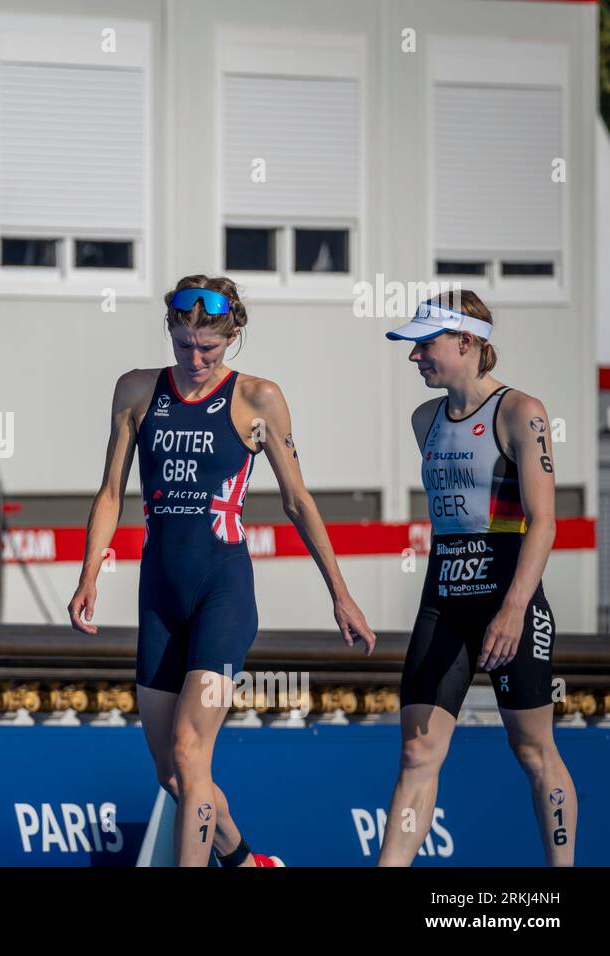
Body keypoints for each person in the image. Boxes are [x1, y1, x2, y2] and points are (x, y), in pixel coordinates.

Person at [69, 275, 377, 867]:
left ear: (233, 336)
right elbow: (111, 492)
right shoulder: (136, 391)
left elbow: (298, 501)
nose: (194, 359)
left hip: (223, 592)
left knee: (191, 753)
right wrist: (90, 574)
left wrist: (340, 595)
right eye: (183, 344)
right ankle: (247, 863)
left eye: (208, 348)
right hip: (159, 592)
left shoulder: (258, 399)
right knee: (173, 774)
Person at [379, 292, 575, 865]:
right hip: (443, 599)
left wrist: (514, 609)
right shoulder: (425, 419)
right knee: (417, 755)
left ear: (467, 342)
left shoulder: (521, 410)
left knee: (533, 749)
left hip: (508, 601)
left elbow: (544, 522)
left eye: (425, 343)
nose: (415, 356)